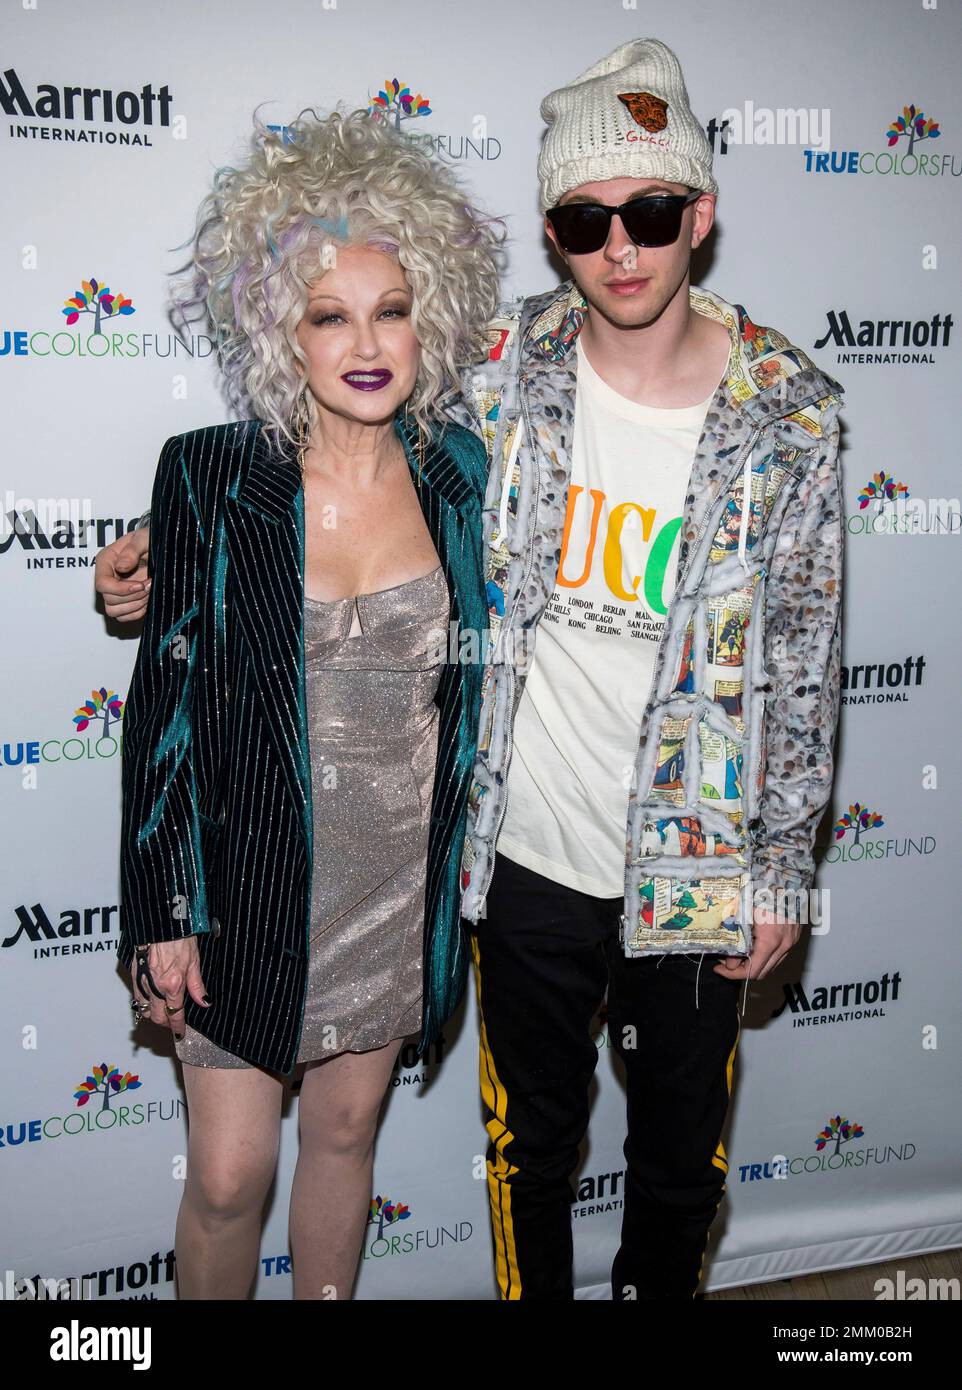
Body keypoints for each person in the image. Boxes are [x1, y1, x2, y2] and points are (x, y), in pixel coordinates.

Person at [99, 37, 845, 1303]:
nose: (621, 243)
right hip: (435, 866)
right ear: (553, 232)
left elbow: (805, 654)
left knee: (654, 1165)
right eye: (584, 216)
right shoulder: (491, 386)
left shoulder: (750, 416)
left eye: (652, 210)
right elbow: (178, 681)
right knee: (432, 1164)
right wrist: (149, 561)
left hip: (593, 870)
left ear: (698, 214)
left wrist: (781, 859)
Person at [112, 106, 498, 1300]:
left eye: (390, 310)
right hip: (250, 884)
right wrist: (165, 906)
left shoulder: (463, 472)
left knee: (342, 1143)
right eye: (330, 315)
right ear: (282, 328)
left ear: (425, 316)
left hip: (392, 885)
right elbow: (164, 712)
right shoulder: (209, 475)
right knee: (228, 1176)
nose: (366, 342)